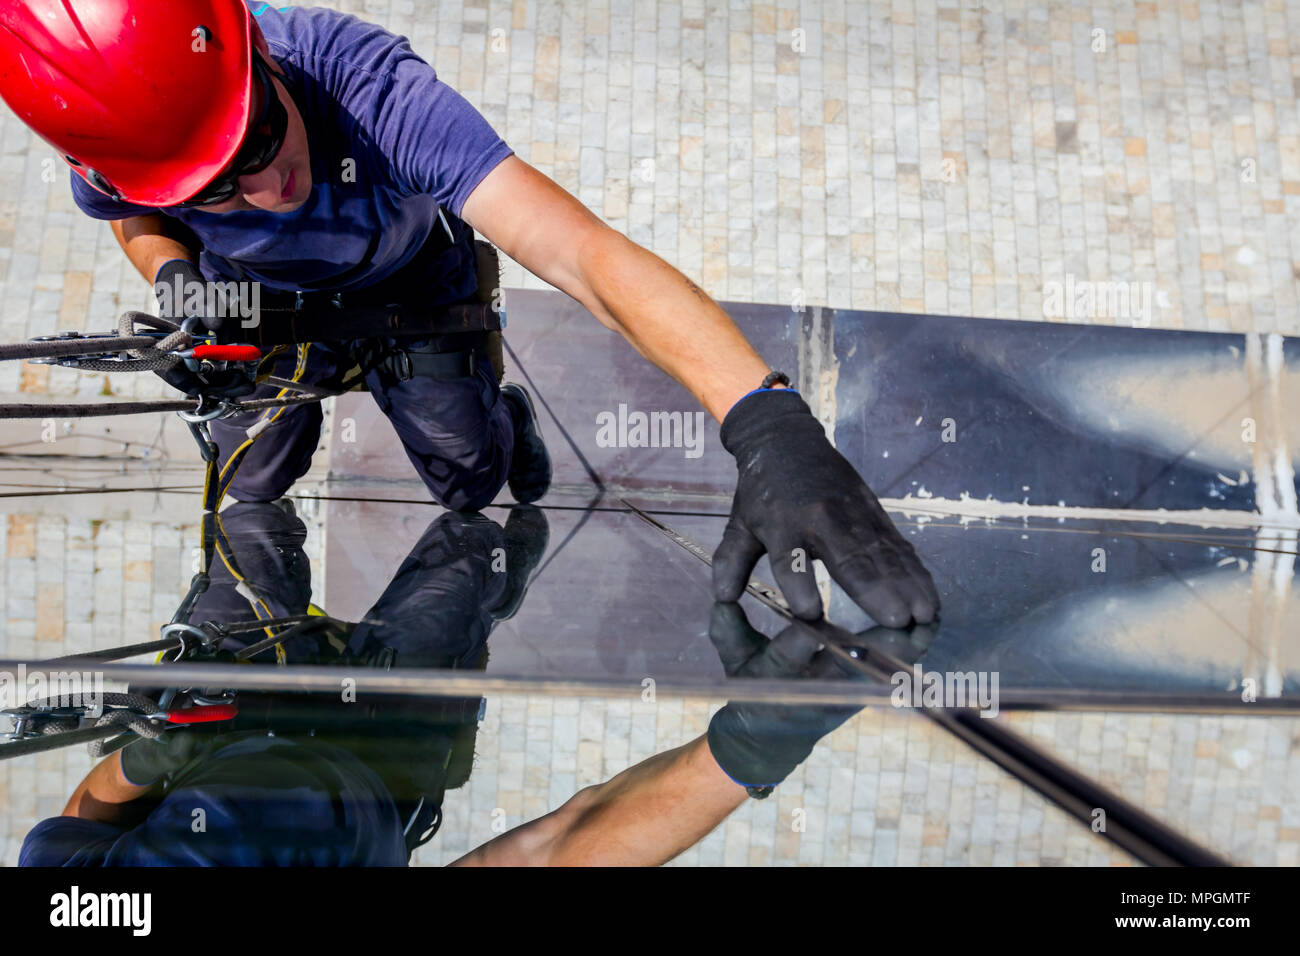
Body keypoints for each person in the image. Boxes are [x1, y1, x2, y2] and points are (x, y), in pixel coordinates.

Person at [0, 0, 938, 627]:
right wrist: (176, 274)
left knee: (469, 486)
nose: (268, 189)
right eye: (216, 188)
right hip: (258, 305)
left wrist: (768, 422)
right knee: (249, 492)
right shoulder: (118, 148)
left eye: (259, 140)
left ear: (255, 57)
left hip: (410, 289)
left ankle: (504, 418)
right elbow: (133, 218)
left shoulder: (367, 88)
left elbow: (583, 254)